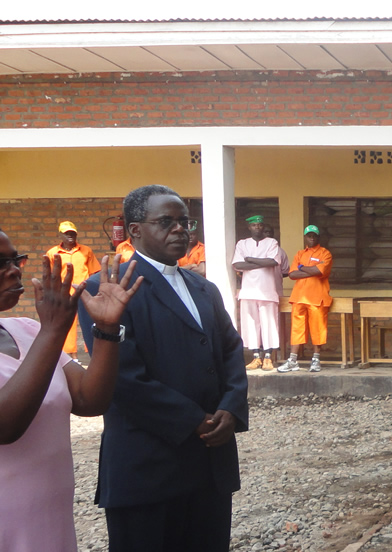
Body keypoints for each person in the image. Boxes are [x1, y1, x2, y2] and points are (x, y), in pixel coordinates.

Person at [77, 184, 249, 552]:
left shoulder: (203, 288)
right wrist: (192, 419)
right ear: (135, 230)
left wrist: (231, 408)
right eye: (166, 222)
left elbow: (232, 350)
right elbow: (123, 377)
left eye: (185, 222)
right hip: (147, 467)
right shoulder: (105, 289)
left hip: (209, 464)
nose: (180, 230)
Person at [0, 232, 141, 552]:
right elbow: (6, 425)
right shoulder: (44, 333)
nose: (14, 270)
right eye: (1, 263)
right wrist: (53, 330)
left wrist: (106, 330)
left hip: (49, 518)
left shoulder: (27, 330)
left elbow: (90, 400)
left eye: (14, 260)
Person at [232, 216, 284, 371]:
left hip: (267, 291)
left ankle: (268, 357)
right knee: (250, 325)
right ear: (249, 227)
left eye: (260, 225)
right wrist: (260, 263)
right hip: (248, 291)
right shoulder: (242, 244)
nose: (257, 228)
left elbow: (273, 262)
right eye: (254, 225)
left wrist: (250, 260)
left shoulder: (271, 243)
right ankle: (256, 357)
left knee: (269, 324)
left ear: (263, 227)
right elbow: (237, 264)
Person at [280, 226, 333, 373]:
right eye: (309, 236)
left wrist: (302, 268)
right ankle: (292, 360)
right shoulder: (299, 254)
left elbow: (320, 271)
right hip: (299, 297)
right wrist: (311, 270)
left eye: (314, 236)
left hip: (317, 298)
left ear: (318, 237)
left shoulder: (325, 254)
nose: (312, 238)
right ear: (305, 237)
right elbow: (292, 274)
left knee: (318, 330)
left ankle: (316, 359)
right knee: (296, 329)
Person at [46, 221, 101, 358]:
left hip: (85, 292)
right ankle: (72, 356)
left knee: (90, 322)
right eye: (67, 234)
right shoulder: (53, 253)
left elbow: (94, 272)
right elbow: (51, 275)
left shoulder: (86, 251)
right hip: (65, 293)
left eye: (73, 233)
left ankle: (93, 353)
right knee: (68, 324)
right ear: (60, 235)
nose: (70, 236)